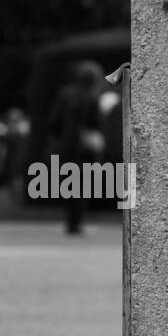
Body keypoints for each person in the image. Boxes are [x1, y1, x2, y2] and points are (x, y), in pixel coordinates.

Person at [48, 60, 105, 235]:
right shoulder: (92, 98)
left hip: (65, 146)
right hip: (84, 148)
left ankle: (70, 222)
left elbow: (54, 122)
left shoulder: (65, 95)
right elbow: (95, 124)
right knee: (83, 186)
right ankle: (76, 223)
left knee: (69, 184)